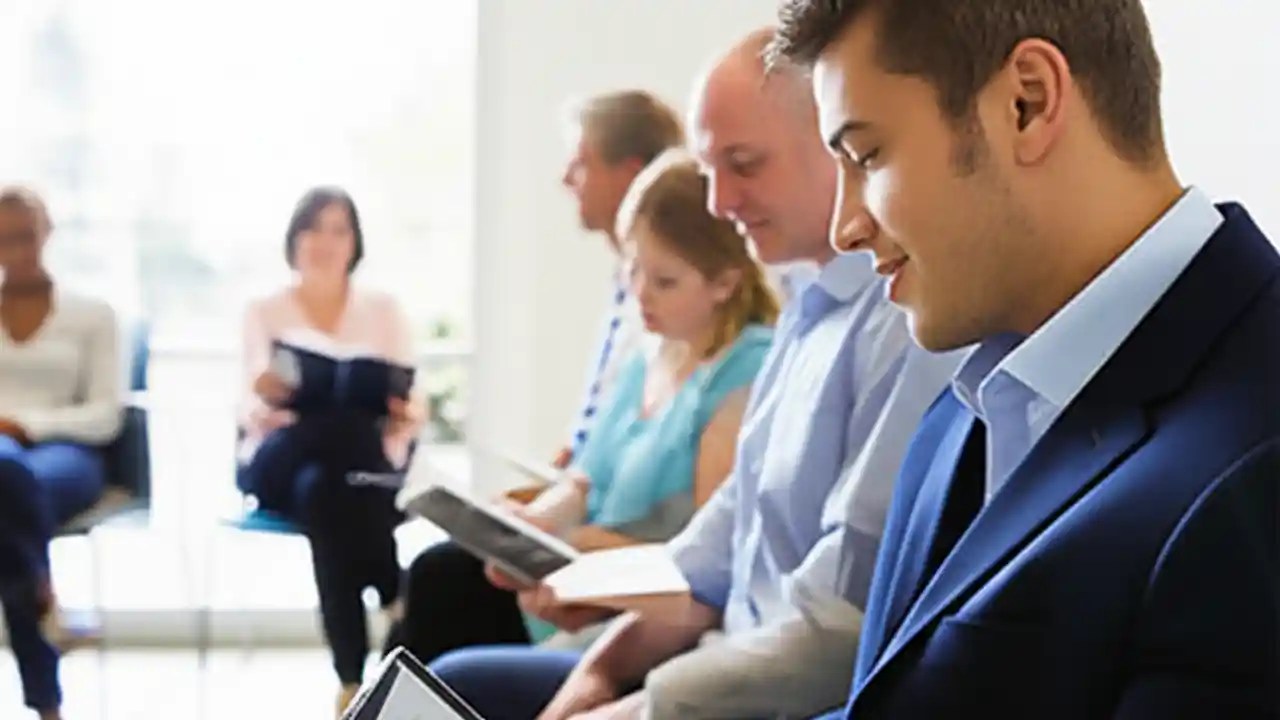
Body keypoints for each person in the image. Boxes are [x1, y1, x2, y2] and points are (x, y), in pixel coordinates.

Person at [426, 29, 961, 720]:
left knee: (459, 663)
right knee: (452, 676)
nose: (718, 202)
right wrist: (598, 668)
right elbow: (709, 558)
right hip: (714, 661)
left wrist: (634, 705)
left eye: (743, 165)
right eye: (710, 170)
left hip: (766, 696)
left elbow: (836, 627)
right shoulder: (806, 312)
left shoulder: (899, 326)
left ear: (836, 147)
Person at [772, 1, 1280, 717]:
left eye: (867, 156)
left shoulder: (1254, 465)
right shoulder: (964, 408)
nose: (844, 227)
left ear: (1027, 103)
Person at [391, 151, 779, 667]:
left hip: (632, 605)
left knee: (444, 593)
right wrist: (533, 522)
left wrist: (584, 544)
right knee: (438, 573)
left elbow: (709, 558)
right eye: (633, 271)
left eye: (664, 281)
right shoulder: (650, 355)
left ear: (725, 283)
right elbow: (582, 479)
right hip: (578, 569)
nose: (640, 295)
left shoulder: (745, 373)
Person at [237, 186, 425, 716]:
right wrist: (271, 393)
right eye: (313, 228)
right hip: (278, 457)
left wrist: (399, 411)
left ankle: (348, 679)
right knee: (340, 434)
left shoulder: (383, 310)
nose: (324, 241)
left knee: (327, 493)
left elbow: (413, 403)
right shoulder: (265, 309)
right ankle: (394, 590)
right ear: (294, 239)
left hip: (352, 474)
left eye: (338, 229)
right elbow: (249, 401)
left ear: (355, 242)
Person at [0, 187, 123, 720]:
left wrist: (24, 425)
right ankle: (44, 605)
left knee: (6, 483)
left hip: (69, 456)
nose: (20, 250)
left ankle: (44, 696)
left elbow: (106, 415)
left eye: (28, 235)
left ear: (48, 234)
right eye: (6, 240)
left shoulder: (92, 315)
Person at [552, 91, 686, 470]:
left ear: (630, 173)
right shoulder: (622, 281)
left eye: (580, 165)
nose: (565, 179)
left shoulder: (682, 300)